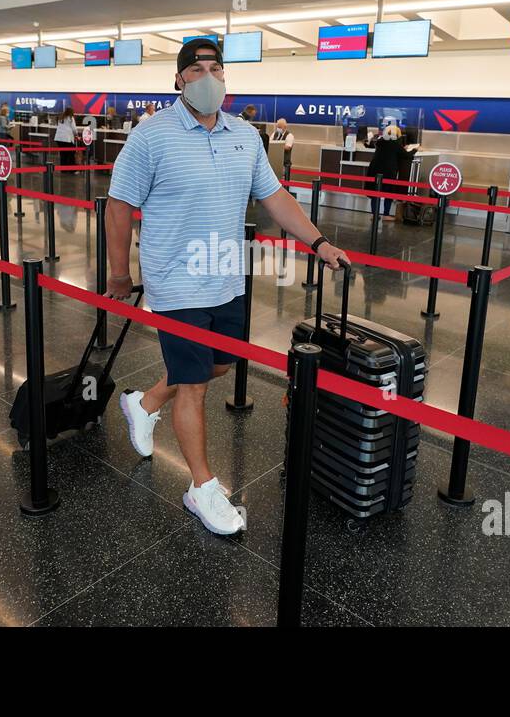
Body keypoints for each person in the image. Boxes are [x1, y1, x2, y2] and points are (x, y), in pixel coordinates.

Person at [105, 38, 349, 536]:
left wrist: (318, 241)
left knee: (219, 363)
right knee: (193, 384)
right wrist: (118, 273)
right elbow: (117, 206)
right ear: (178, 80)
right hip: (176, 281)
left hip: (227, 276)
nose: (208, 77)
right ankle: (202, 487)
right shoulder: (150, 137)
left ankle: (145, 402)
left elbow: (275, 197)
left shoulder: (245, 136)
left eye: (216, 68)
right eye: (196, 70)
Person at [366, 125, 416, 220]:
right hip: (388, 171)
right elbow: (407, 155)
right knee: (388, 193)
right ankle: (386, 214)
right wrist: (415, 149)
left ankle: (374, 214)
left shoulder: (380, 142)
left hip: (375, 170)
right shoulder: (395, 144)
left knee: (375, 192)